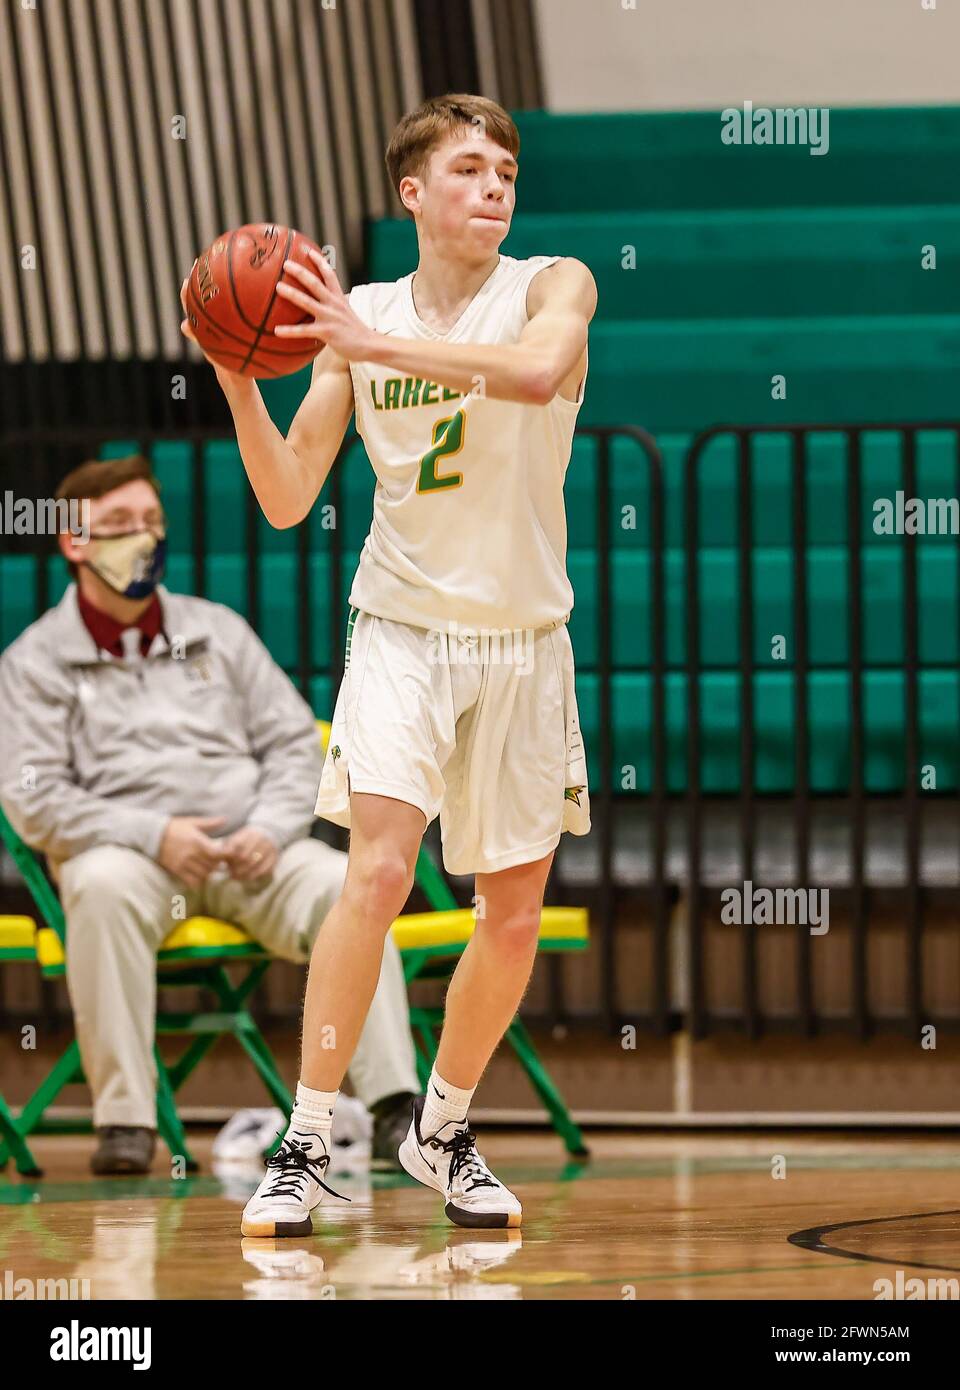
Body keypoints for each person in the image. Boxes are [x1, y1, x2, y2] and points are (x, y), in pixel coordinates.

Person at [181, 92, 594, 1235]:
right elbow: (281, 497)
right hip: (403, 627)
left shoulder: (554, 284)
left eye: (505, 169)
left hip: (524, 638)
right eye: (468, 169)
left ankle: (443, 1126)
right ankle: (309, 1135)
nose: (495, 186)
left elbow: (530, 373)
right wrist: (234, 369)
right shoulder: (357, 314)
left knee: (510, 916)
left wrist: (368, 347)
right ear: (413, 194)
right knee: (376, 868)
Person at [0, 455, 420, 1175]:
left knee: (347, 886)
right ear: (73, 542)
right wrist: (152, 835)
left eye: (151, 523)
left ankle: (394, 1108)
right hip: (131, 856)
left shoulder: (218, 630)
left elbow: (297, 744)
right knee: (96, 887)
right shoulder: (35, 660)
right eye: (120, 526)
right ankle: (126, 1122)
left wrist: (269, 826)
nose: (143, 539)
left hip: (253, 850)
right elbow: (33, 794)